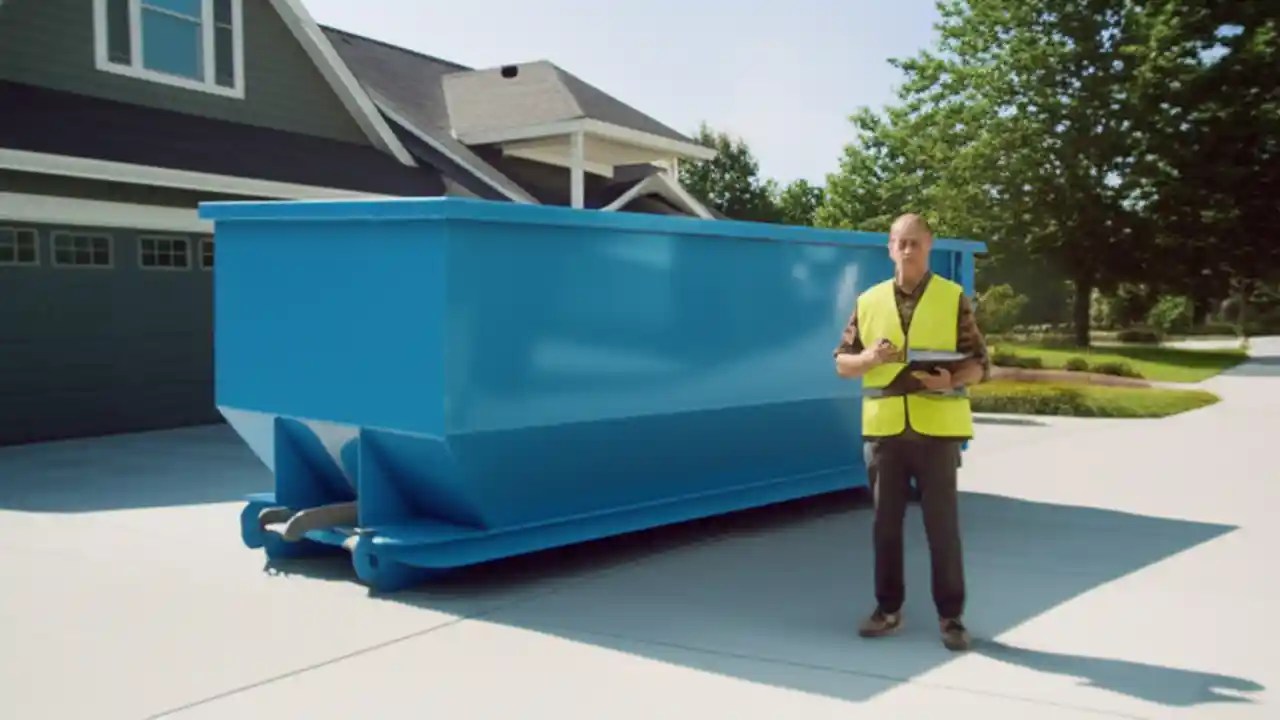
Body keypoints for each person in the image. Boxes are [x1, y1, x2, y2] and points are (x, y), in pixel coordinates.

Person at [832, 213, 990, 652]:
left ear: (929, 246)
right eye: (900, 242)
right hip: (885, 434)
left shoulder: (952, 297)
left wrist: (952, 380)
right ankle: (888, 610)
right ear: (889, 248)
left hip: (937, 431)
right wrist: (869, 360)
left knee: (943, 528)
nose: (907, 250)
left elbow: (980, 362)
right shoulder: (868, 301)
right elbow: (842, 363)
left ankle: (951, 617)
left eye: (915, 242)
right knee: (885, 527)